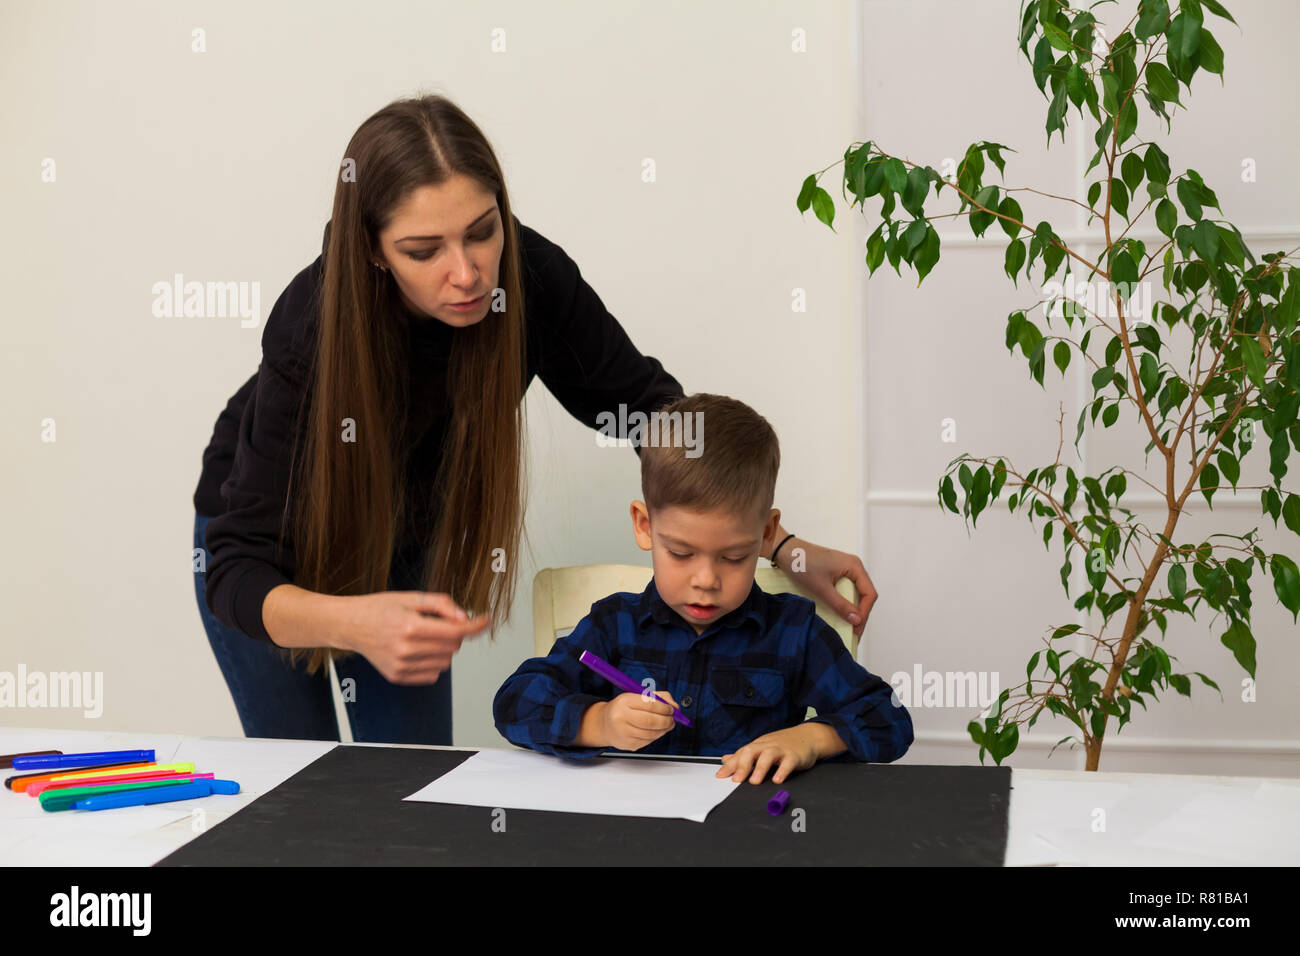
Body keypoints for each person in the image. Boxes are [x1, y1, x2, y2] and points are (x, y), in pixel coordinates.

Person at [193, 93, 881, 746]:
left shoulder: (531, 280)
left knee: (405, 795)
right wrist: (353, 619)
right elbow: (234, 569)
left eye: (482, 232)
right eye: (424, 250)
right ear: (372, 249)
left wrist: (777, 544)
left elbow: (654, 416)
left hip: (400, 548)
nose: (466, 274)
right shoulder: (310, 324)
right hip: (273, 567)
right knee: (300, 794)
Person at [492, 393, 912, 783]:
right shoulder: (614, 624)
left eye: (734, 557)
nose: (706, 581)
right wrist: (598, 722)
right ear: (644, 526)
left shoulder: (793, 631)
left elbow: (889, 718)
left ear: (766, 532)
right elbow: (514, 701)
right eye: (680, 553)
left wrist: (810, 740)